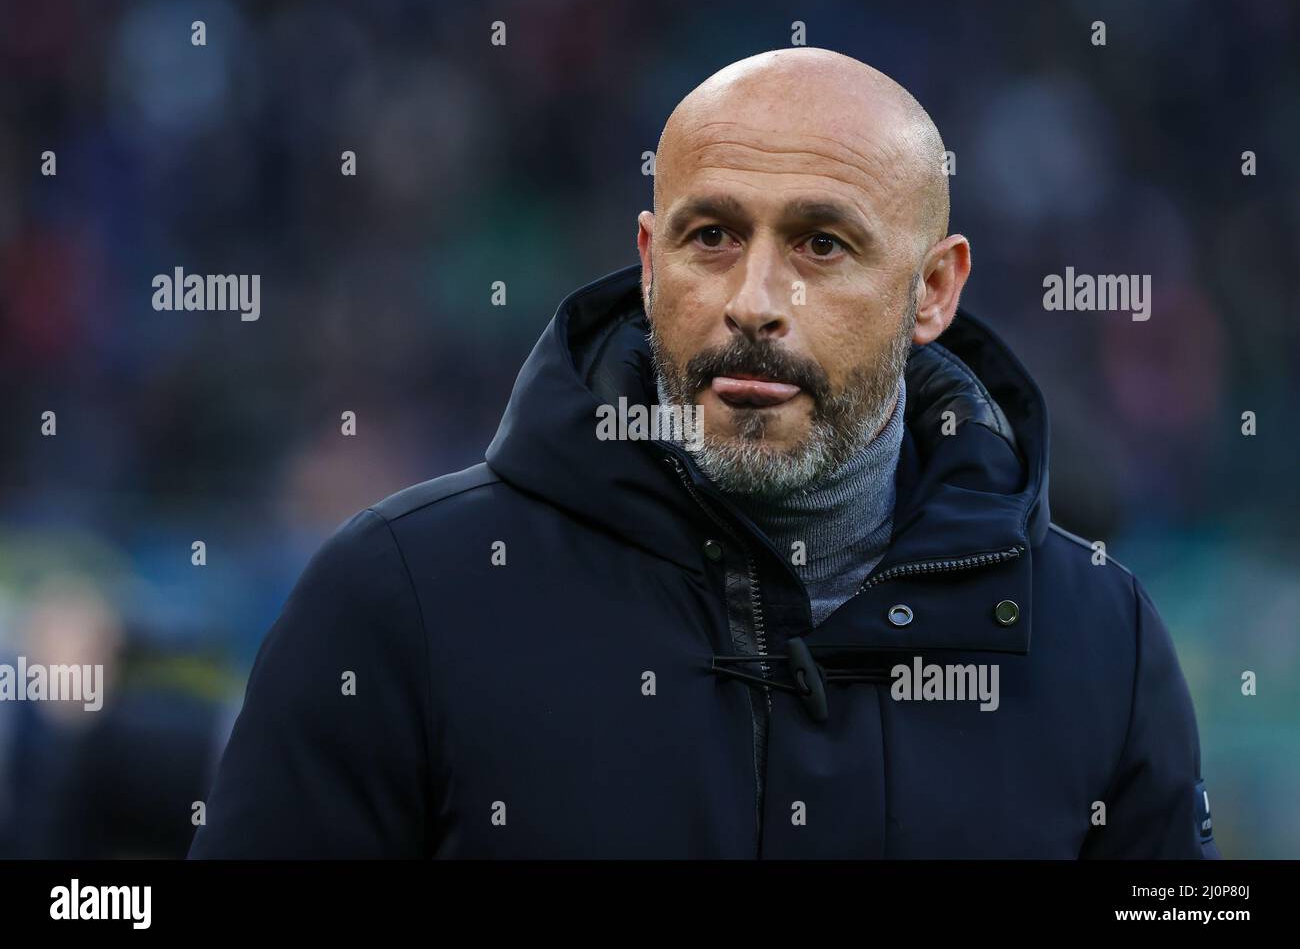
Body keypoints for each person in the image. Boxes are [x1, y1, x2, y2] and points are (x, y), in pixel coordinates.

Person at [189, 47, 1217, 859]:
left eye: (823, 243)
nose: (754, 302)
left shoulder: (1100, 641)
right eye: (712, 236)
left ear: (934, 291)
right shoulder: (395, 596)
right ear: (647, 262)